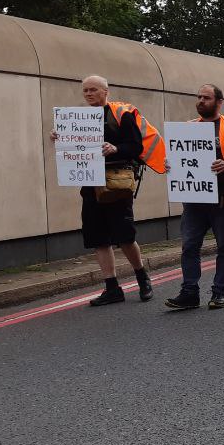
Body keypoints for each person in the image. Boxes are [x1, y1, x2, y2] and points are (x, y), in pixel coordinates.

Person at [51, 75, 156, 307]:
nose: (88, 94)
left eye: (93, 90)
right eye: (85, 91)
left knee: (125, 236)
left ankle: (142, 278)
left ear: (105, 91)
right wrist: (60, 138)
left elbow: (136, 146)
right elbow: (73, 149)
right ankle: (112, 288)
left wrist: (116, 147)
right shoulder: (77, 119)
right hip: (90, 182)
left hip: (117, 182)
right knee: (98, 238)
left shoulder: (122, 114)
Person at [164, 85, 224, 311]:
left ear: (219, 102)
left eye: (206, 98)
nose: (201, 101)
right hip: (194, 200)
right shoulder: (188, 128)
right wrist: (171, 164)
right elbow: (179, 158)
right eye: (199, 97)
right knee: (189, 246)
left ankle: (219, 292)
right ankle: (189, 293)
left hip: (223, 199)